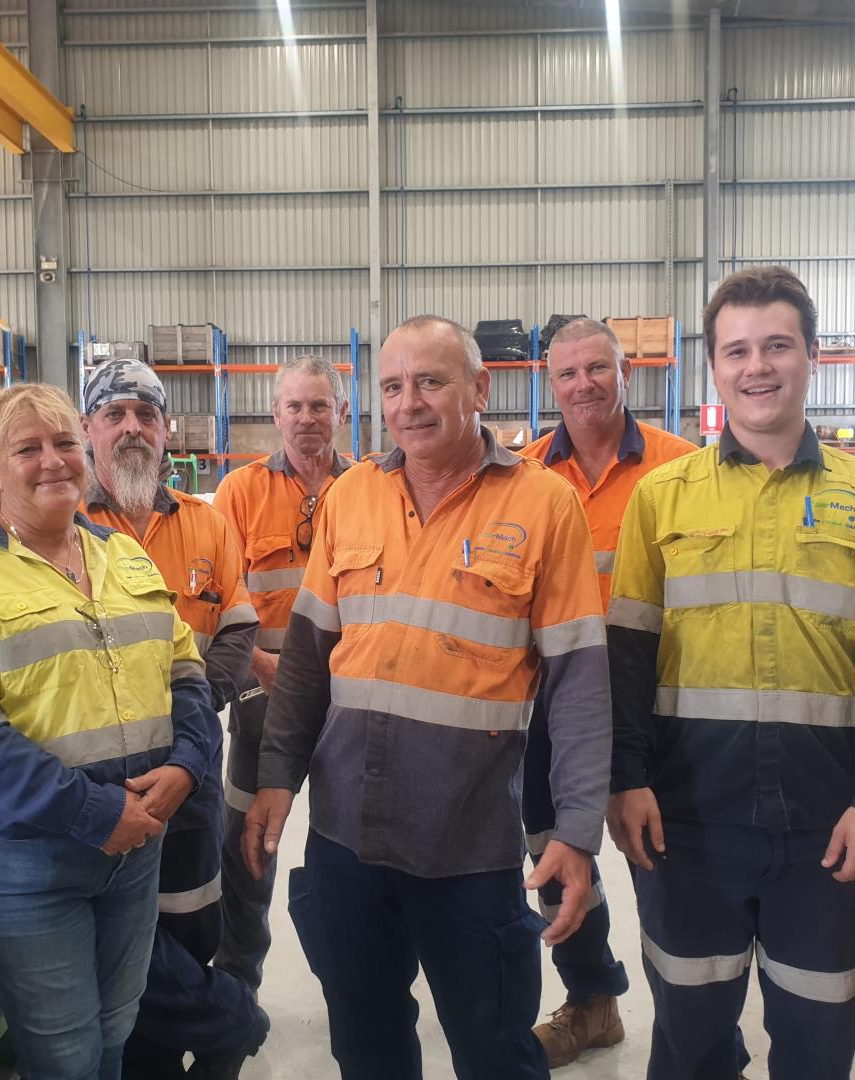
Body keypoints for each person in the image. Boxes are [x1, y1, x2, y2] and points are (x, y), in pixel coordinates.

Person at [242, 316, 613, 1079]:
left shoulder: (543, 505)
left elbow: (577, 682)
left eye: (430, 382)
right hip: (347, 836)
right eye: (392, 386)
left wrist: (576, 830)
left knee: (494, 1051)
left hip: (469, 847)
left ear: (479, 388)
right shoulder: (351, 497)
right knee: (368, 1045)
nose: (409, 403)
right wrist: (279, 775)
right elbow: (308, 658)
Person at [605, 266, 855, 1080]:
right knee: (689, 1040)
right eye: (737, 350)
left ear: (811, 355)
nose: (758, 366)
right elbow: (628, 656)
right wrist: (624, 778)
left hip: (828, 829)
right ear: (714, 366)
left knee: (819, 1040)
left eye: (777, 345)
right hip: (686, 824)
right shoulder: (662, 497)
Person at [0, 384, 222, 1080]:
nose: (54, 462)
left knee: (116, 1027)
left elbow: (186, 673)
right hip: (24, 861)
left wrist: (188, 766)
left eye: (66, 443)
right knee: (65, 1052)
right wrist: (101, 813)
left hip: (134, 848)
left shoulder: (121, 557)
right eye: (28, 449)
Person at [79, 360, 268, 1079]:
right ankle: (193, 1037)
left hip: (189, 766)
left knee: (191, 915)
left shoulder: (206, 523)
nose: (131, 427)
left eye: (145, 415)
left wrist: (195, 712)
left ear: (165, 433)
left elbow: (238, 627)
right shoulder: (62, 524)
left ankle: (190, 1035)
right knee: (113, 936)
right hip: (99, 774)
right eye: (114, 414)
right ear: (89, 429)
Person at [518, 318, 698, 1068]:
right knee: (556, 862)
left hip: (662, 708)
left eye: (599, 368)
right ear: (549, 384)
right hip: (554, 712)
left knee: (674, 865)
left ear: (627, 373)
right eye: (568, 373)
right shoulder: (523, 477)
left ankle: (694, 1020)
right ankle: (593, 1003)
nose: (584, 384)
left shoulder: (683, 468)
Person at [208, 355, 354, 993]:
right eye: (294, 406)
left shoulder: (371, 488)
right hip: (263, 694)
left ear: (341, 414)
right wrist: (265, 669)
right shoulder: (240, 493)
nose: (306, 419)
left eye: (319, 406)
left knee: (350, 843)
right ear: (275, 415)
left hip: (351, 703)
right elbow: (224, 597)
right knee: (248, 840)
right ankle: (239, 976)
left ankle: (358, 976)